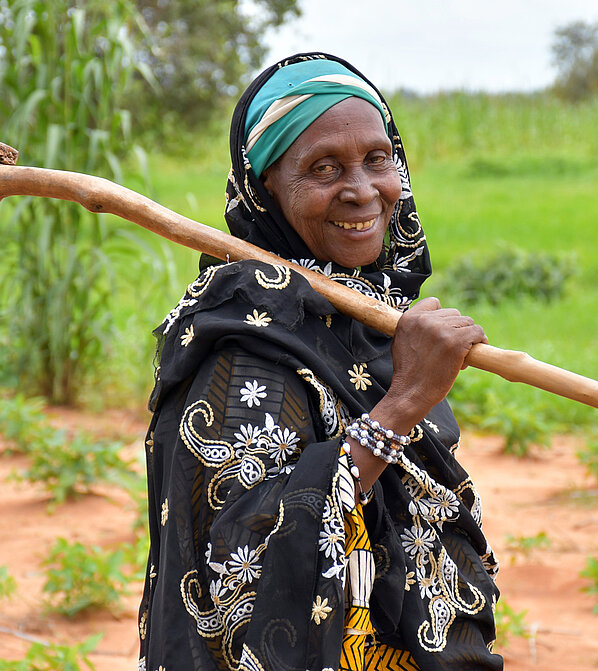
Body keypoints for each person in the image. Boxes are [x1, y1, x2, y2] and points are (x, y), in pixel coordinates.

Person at [136, 53, 502, 671]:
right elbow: (242, 574)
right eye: (323, 168)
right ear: (266, 187)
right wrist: (404, 404)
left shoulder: (373, 319)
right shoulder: (246, 349)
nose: (363, 191)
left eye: (377, 159)